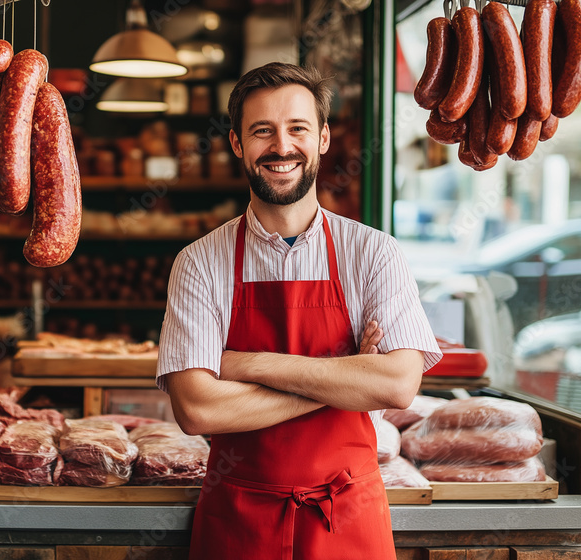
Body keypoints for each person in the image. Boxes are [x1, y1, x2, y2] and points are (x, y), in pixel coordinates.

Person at [156, 62, 443, 559]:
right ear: (236, 143)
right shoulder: (199, 262)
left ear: (324, 138)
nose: (281, 146)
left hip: (347, 519)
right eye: (261, 131)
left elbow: (397, 385)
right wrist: (345, 379)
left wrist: (242, 363)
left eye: (297, 128)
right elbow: (198, 408)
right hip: (239, 522)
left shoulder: (374, 253)